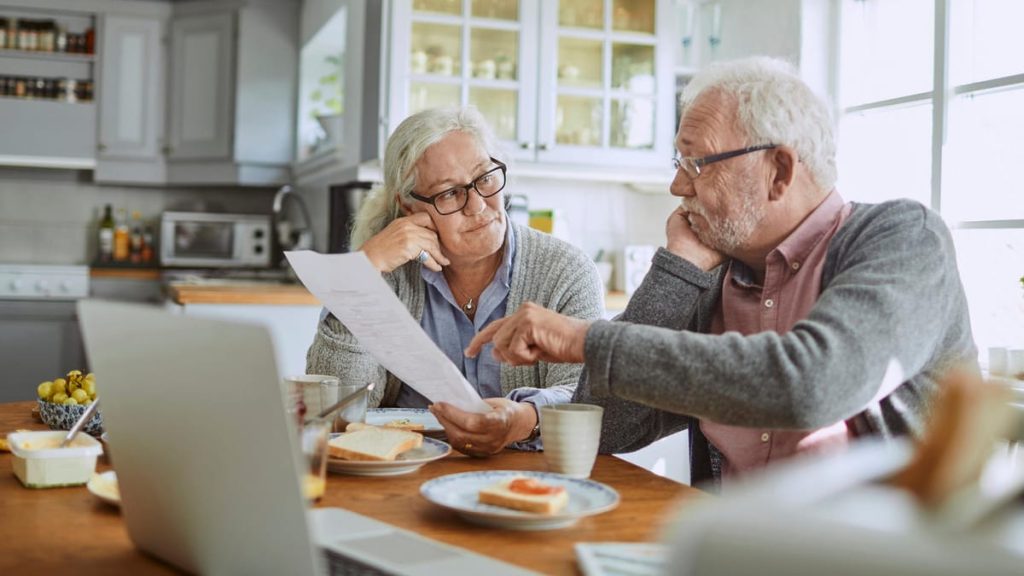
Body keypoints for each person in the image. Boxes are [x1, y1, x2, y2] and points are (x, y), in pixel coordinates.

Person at [464, 57, 978, 488]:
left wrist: (586, 340)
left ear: (779, 171)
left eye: (697, 164)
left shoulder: (904, 238)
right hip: (729, 549)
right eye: (677, 162)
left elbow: (812, 384)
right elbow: (611, 425)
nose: (676, 187)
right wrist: (678, 270)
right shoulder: (713, 274)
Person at [306, 106, 604, 456]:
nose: (477, 206)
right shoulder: (390, 271)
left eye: (485, 178)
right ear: (409, 206)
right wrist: (361, 274)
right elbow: (335, 412)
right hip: (405, 472)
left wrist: (524, 418)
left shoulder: (565, 271)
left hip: (528, 474)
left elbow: (585, 398)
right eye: (449, 193)